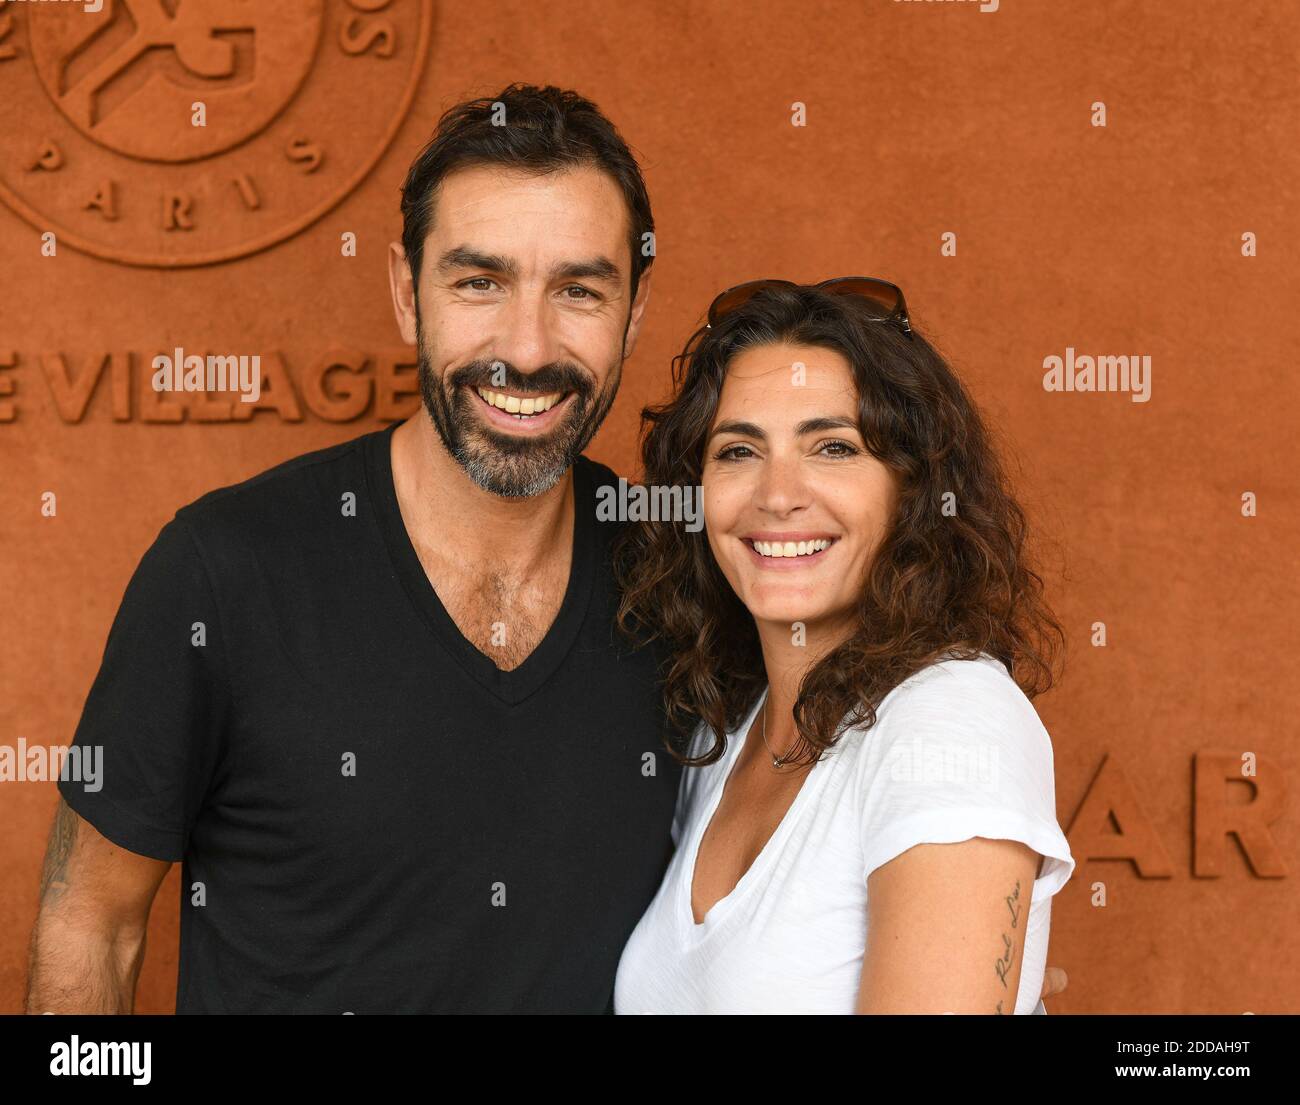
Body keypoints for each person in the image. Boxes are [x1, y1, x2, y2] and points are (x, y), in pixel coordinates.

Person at [26, 85, 1069, 1014]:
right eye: (479, 282)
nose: (526, 348)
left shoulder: (682, 581)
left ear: (631, 309)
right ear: (405, 291)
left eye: (576, 289)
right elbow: (93, 926)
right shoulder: (225, 569)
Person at [612, 277, 1076, 1013]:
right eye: (738, 451)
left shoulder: (950, 717)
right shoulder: (725, 734)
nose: (778, 494)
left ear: (912, 488)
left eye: (833, 446)